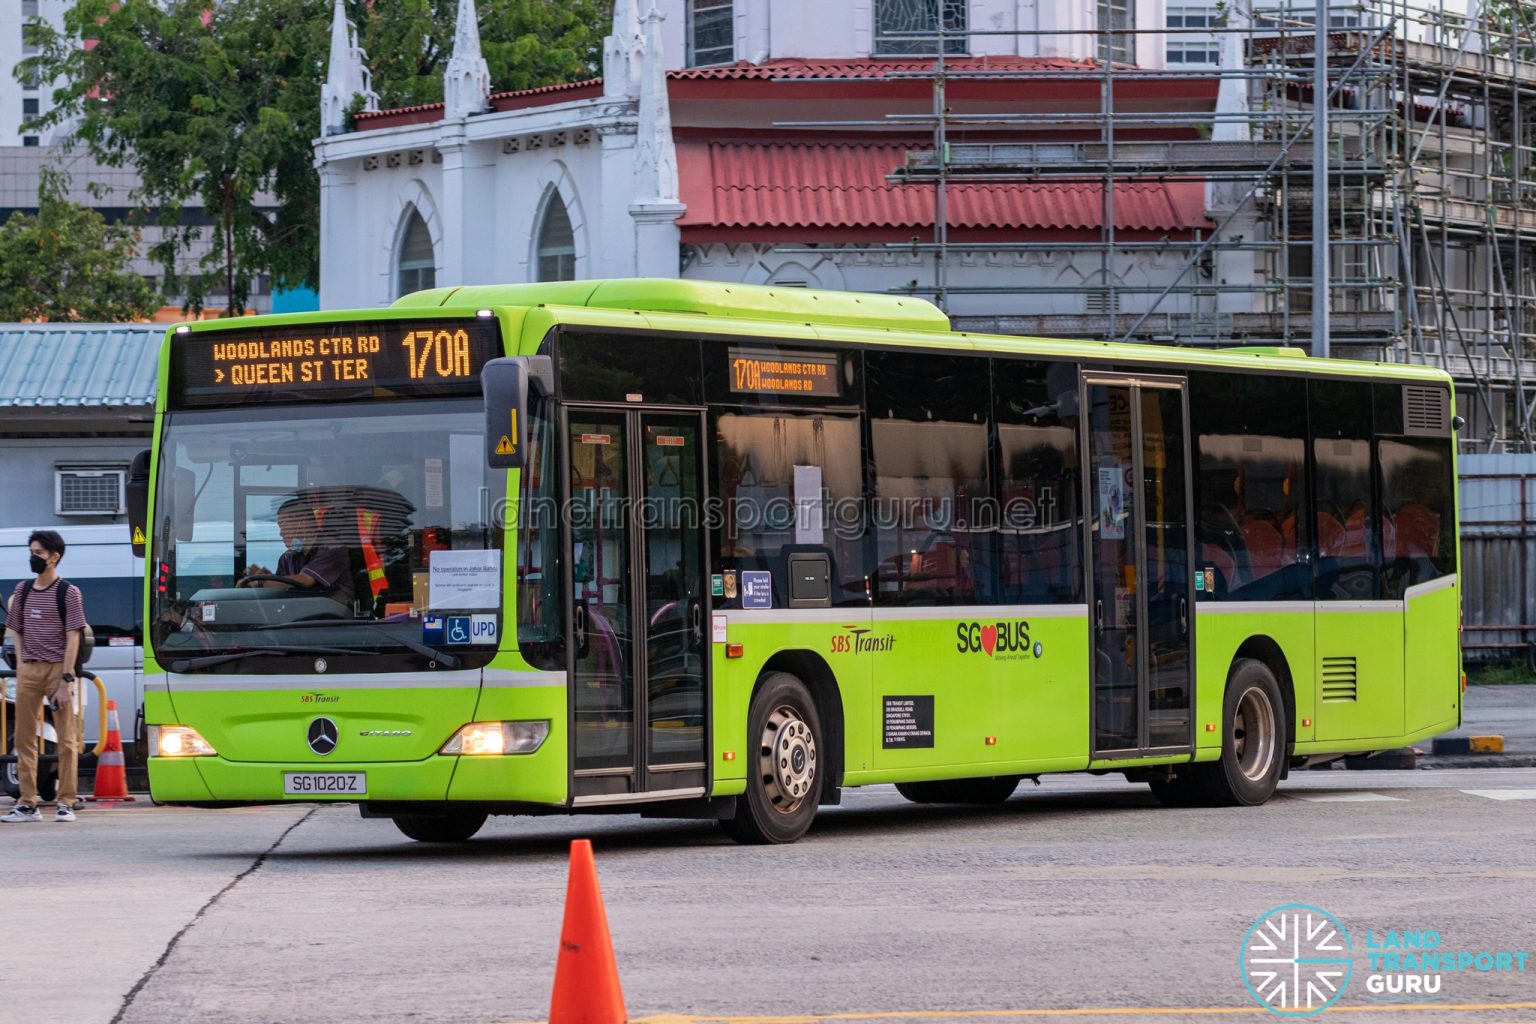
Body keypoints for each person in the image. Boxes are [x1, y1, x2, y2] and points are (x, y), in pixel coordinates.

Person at [2, 530, 87, 823]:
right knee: (24, 739)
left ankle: (66, 801)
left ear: (54, 557)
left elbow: (73, 637)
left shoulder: (68, 592)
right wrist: (23, 664)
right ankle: (27, 804)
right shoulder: (23, 590)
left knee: (66, 740)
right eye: (31, 551)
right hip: (30, 671)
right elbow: (16, 631)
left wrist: (66, 678)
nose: (32, 557)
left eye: (38, 553)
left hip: (57, 669)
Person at [243, 499, 356, 607]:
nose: (281, 533)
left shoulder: (332, 548)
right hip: (299, 616)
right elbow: (280, 590)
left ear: (301, 523)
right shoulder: (287, 558)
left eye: (283, 525)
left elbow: (304, 581)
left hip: (335, 617)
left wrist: (260, 582)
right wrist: (267, 578)